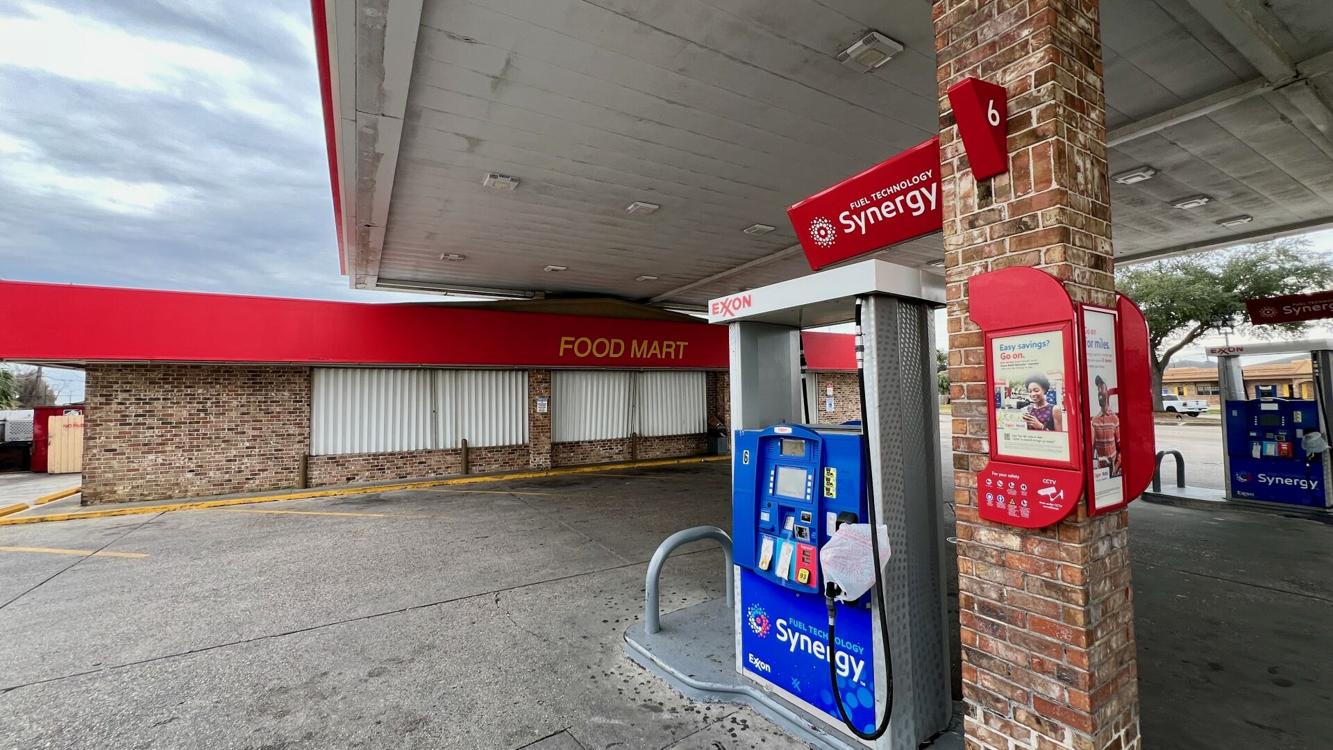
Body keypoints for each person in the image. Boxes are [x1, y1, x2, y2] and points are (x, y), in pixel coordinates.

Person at [1091, 375, 1121, 475]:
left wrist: (1116, 468)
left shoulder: (1114, 419)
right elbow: (1092, 448)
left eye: (1102, 388)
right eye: (1098, 389)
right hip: (1099, 471)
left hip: (1113, 469)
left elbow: (1121, 447)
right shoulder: (1094, 421)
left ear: (1107, 393)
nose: (1099, 391)